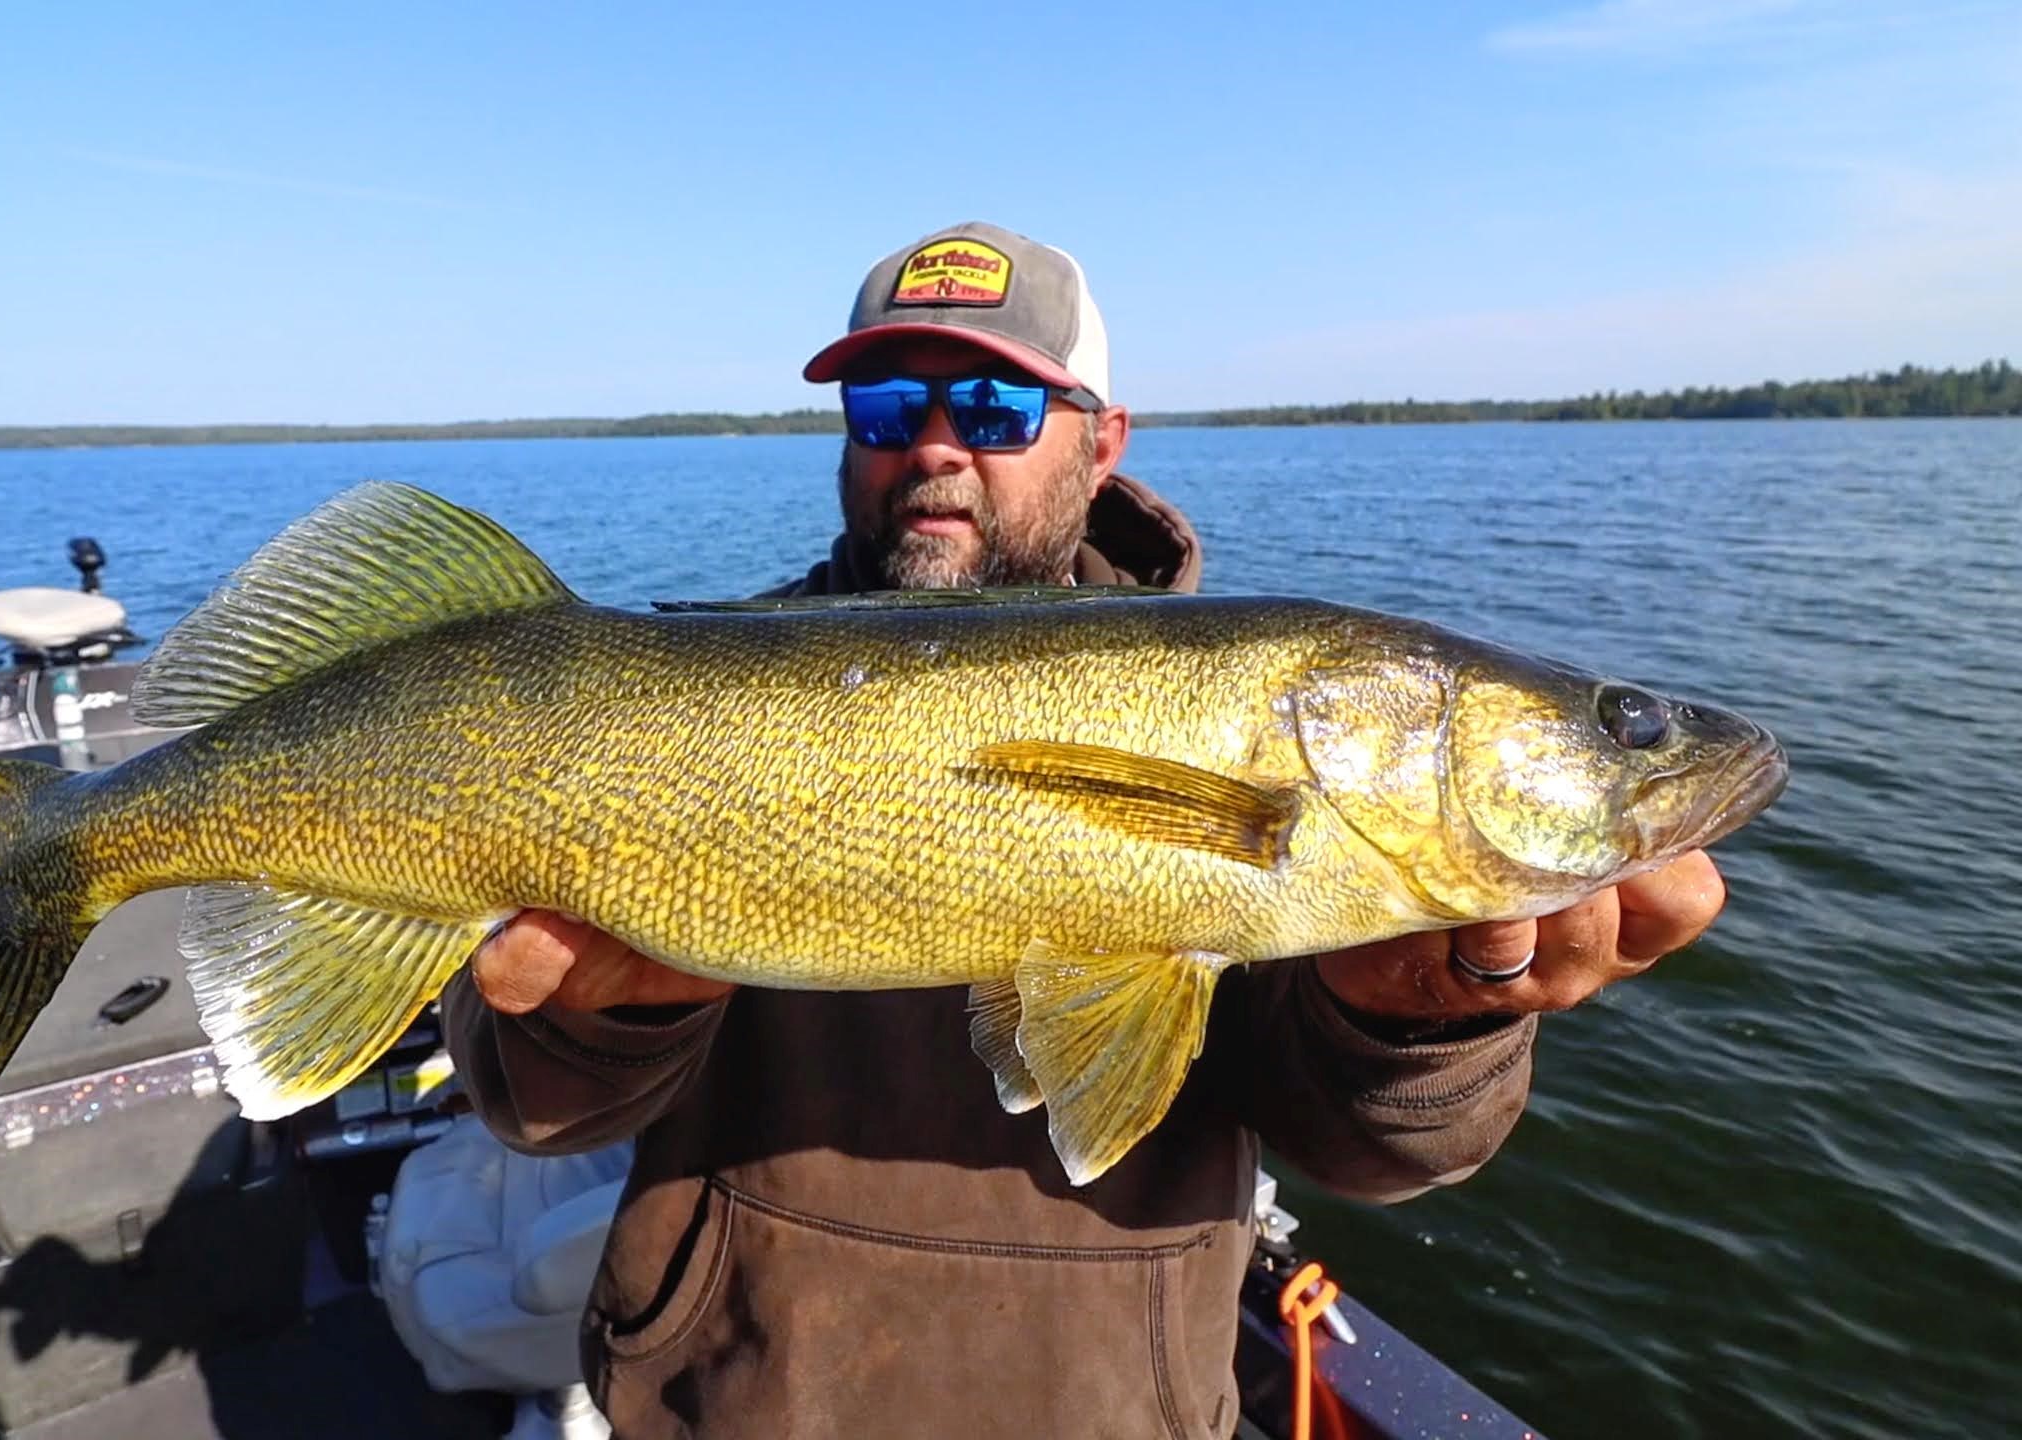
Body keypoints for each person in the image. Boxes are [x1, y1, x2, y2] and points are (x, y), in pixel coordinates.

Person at [442, 221, 1729, 1438]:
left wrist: (1424, 1016)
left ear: (1102, 442)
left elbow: (1384, 1152)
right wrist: (602, 1019)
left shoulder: (1271, 743)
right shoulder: (682, 680)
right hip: (734, 1399)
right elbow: (529, 1112)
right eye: (889, 406)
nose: (935, 446)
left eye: (995, 409)